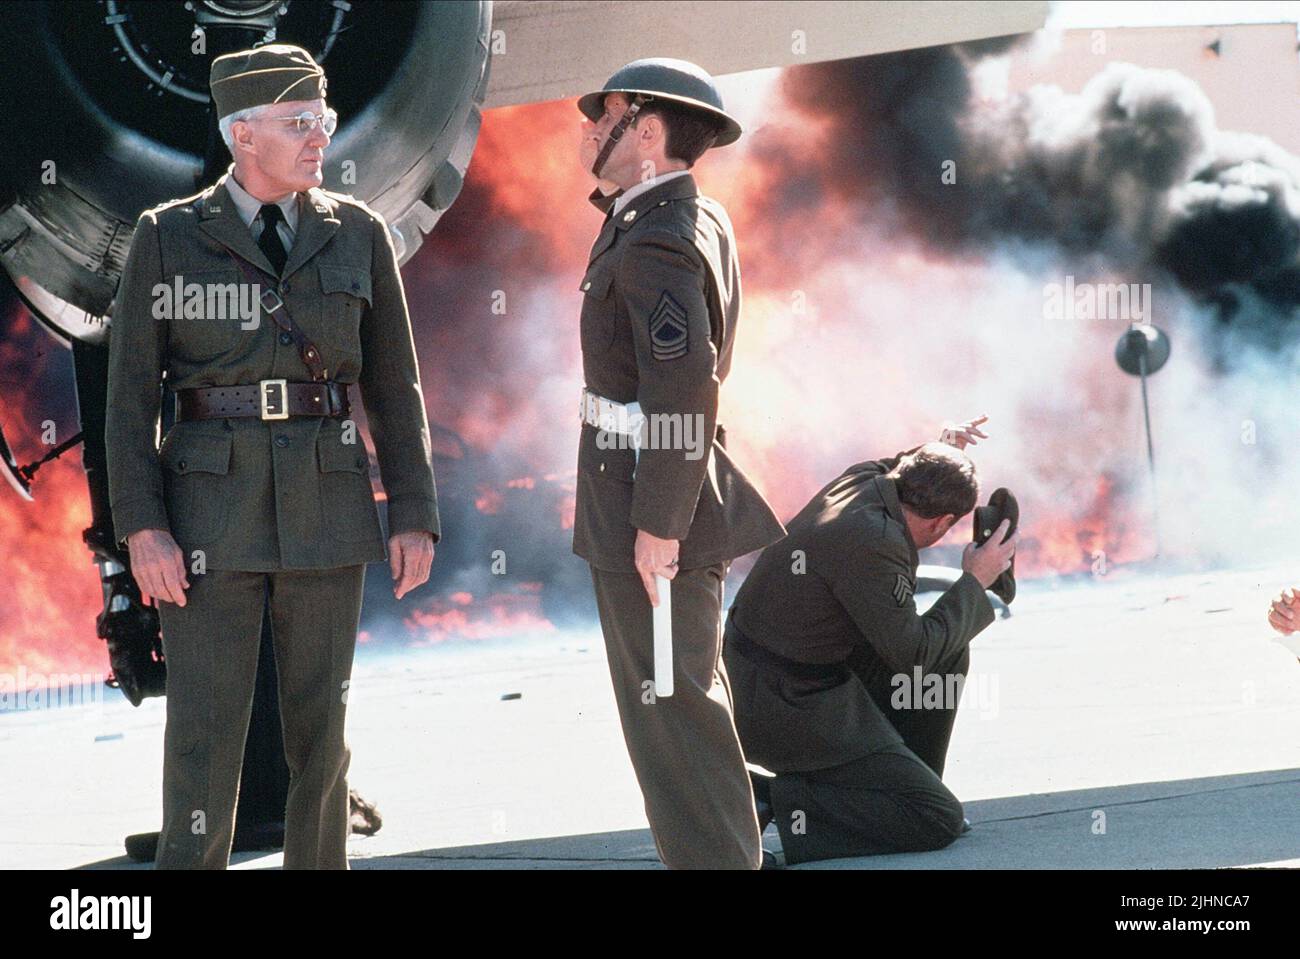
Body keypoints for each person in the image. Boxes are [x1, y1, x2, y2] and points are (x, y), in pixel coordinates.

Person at [104, 44, 439, 868]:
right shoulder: (167, 238)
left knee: (323, 743)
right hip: (204, 521)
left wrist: (416, 511)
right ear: (242, 134)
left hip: (329, 511)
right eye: (299, 122)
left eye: (320, 119)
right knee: (202, 743)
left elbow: (396, 390)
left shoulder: (358, 234)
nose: (319, 136)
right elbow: (128, 404)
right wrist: (142, 531)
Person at [572, 58, 786, 869]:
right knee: (681, 701)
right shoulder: (675, 216)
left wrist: (658, 525)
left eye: (609, 113)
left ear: (649, 133)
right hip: (644, 492)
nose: (590, 127)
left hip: (651, 503)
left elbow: (683, 390)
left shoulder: (658, 236)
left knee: (674, 712)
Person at [722, 418, 1017, 865]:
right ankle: (775, 799)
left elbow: (906, 463)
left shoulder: (869, 480)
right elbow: (912, 657)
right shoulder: (873, 542)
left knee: (949, 649)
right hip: (781, 701)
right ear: (942, 523)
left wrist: (945, 451)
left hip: (782, 670)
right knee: (935, 820)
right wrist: (976, 580)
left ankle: (907, 789)